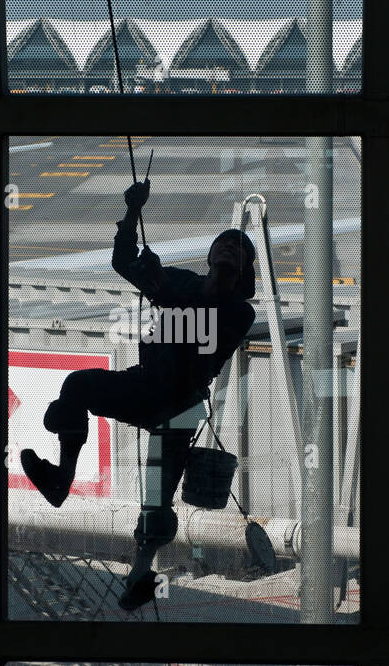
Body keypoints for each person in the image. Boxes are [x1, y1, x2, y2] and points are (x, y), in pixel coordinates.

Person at [21, 180, 256, 607]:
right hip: (152, 385)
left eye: (237, 249)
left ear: (245, 268)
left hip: (180, 404)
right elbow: (122, 260)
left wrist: (162, 286)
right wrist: (132, 212)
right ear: (209, 256)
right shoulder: (183, 283)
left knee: (155, 495)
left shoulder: (240, 311)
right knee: (77, 385)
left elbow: (199, 333)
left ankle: (140, 576)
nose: (228, 249)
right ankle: (61, 479)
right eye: (222, 244)